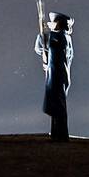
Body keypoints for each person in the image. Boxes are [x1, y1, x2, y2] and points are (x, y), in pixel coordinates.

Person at [36, 11, 73, 141]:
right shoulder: (59, 37)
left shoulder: (61, 37)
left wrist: (44, 34)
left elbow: (50, 45)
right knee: (55, 105)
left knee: (59, 106)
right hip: (55, 74)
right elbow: (42, 48)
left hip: (58, 75)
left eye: (54, 22)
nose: (52, 24)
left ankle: (61, 135)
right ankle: (56, 133)